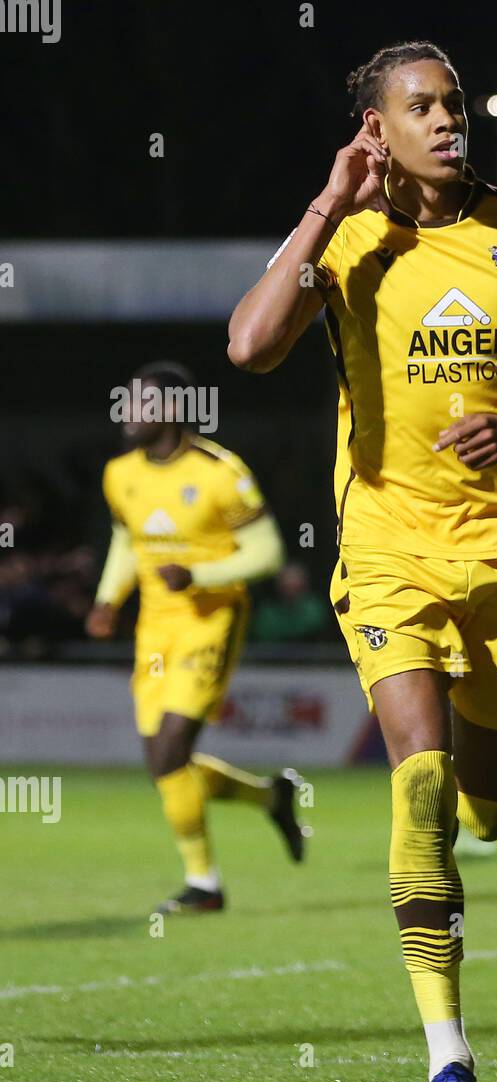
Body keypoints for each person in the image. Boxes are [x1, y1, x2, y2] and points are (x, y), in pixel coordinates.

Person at [228, 41, 497, 1082]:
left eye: (455, 104)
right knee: (420, 781)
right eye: (421, 107)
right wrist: (326, 203)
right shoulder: (349, 235)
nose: (448, 122)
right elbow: (250, 345)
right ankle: (449, 1053)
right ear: (375, 128)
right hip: (388, 548)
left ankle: (490, 802)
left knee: (487, 811)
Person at [85, 362, 305, 914]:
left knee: (168, 752)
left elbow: (267, 553)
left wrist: (199, 576)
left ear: (172, 411)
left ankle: (204, 884)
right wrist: (108, 600)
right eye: (125, 402)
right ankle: (270, 795)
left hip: (211, 621)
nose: (127, 413)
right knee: (164, 762)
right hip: (153, 629)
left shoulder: (220, 472)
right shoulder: (120, 474)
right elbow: (128, 541)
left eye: (140, 403)